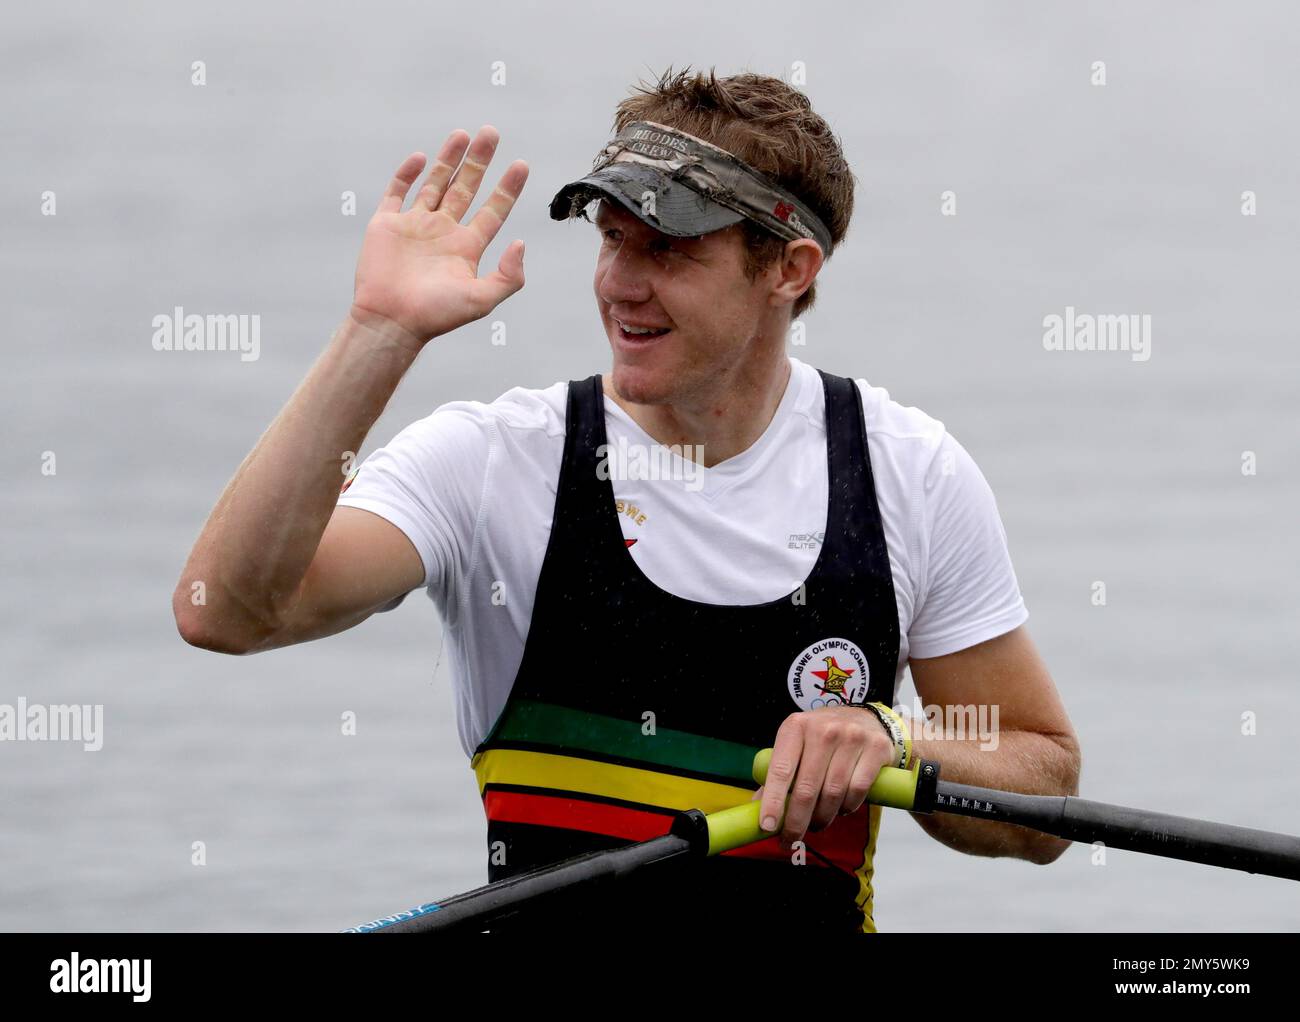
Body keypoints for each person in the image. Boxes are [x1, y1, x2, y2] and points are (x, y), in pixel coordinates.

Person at [174, 68, 1080, 933]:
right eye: (612, 237)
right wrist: (378, 334)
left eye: (671, 250)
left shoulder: (909, 474)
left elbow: (1045, 798)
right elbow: (228, 613)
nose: (619, 283)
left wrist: (898, 743)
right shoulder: (492, 462)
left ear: (789, 268)